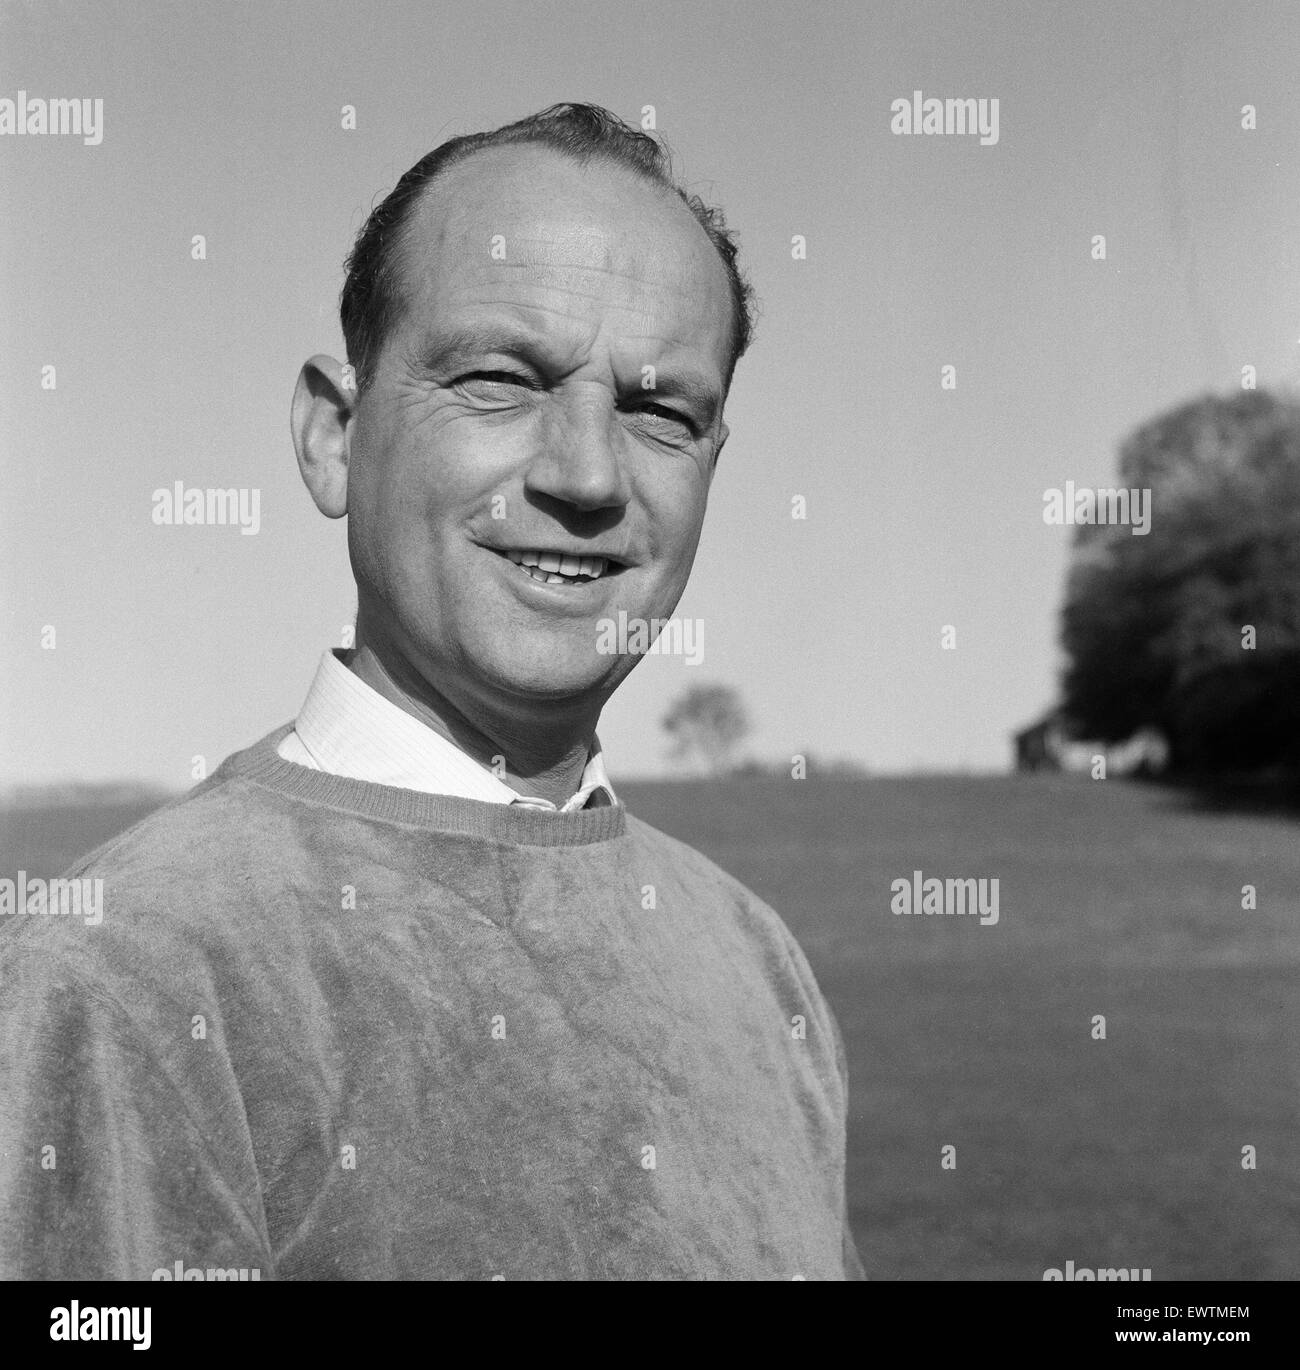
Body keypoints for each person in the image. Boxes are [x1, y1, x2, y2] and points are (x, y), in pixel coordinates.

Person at [0, 103, 864, 1280]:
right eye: (500, 381)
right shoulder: (135, 966)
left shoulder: (760, 963)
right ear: (331, 435)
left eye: (661, 412)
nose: (587, 474)